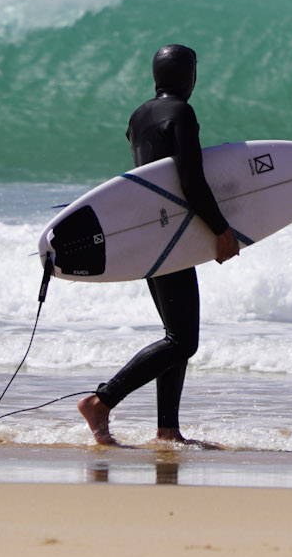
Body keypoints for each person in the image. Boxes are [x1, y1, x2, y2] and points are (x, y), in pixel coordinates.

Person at [77, 43, 240, 447]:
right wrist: (220, 229)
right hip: (172, 236)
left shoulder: (139, 116)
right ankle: (101, 400)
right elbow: (189, 177)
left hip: (149, 232)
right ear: (190, 76)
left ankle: (167, 429)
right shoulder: (181, 113)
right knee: (183, 340)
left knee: (175, 336)